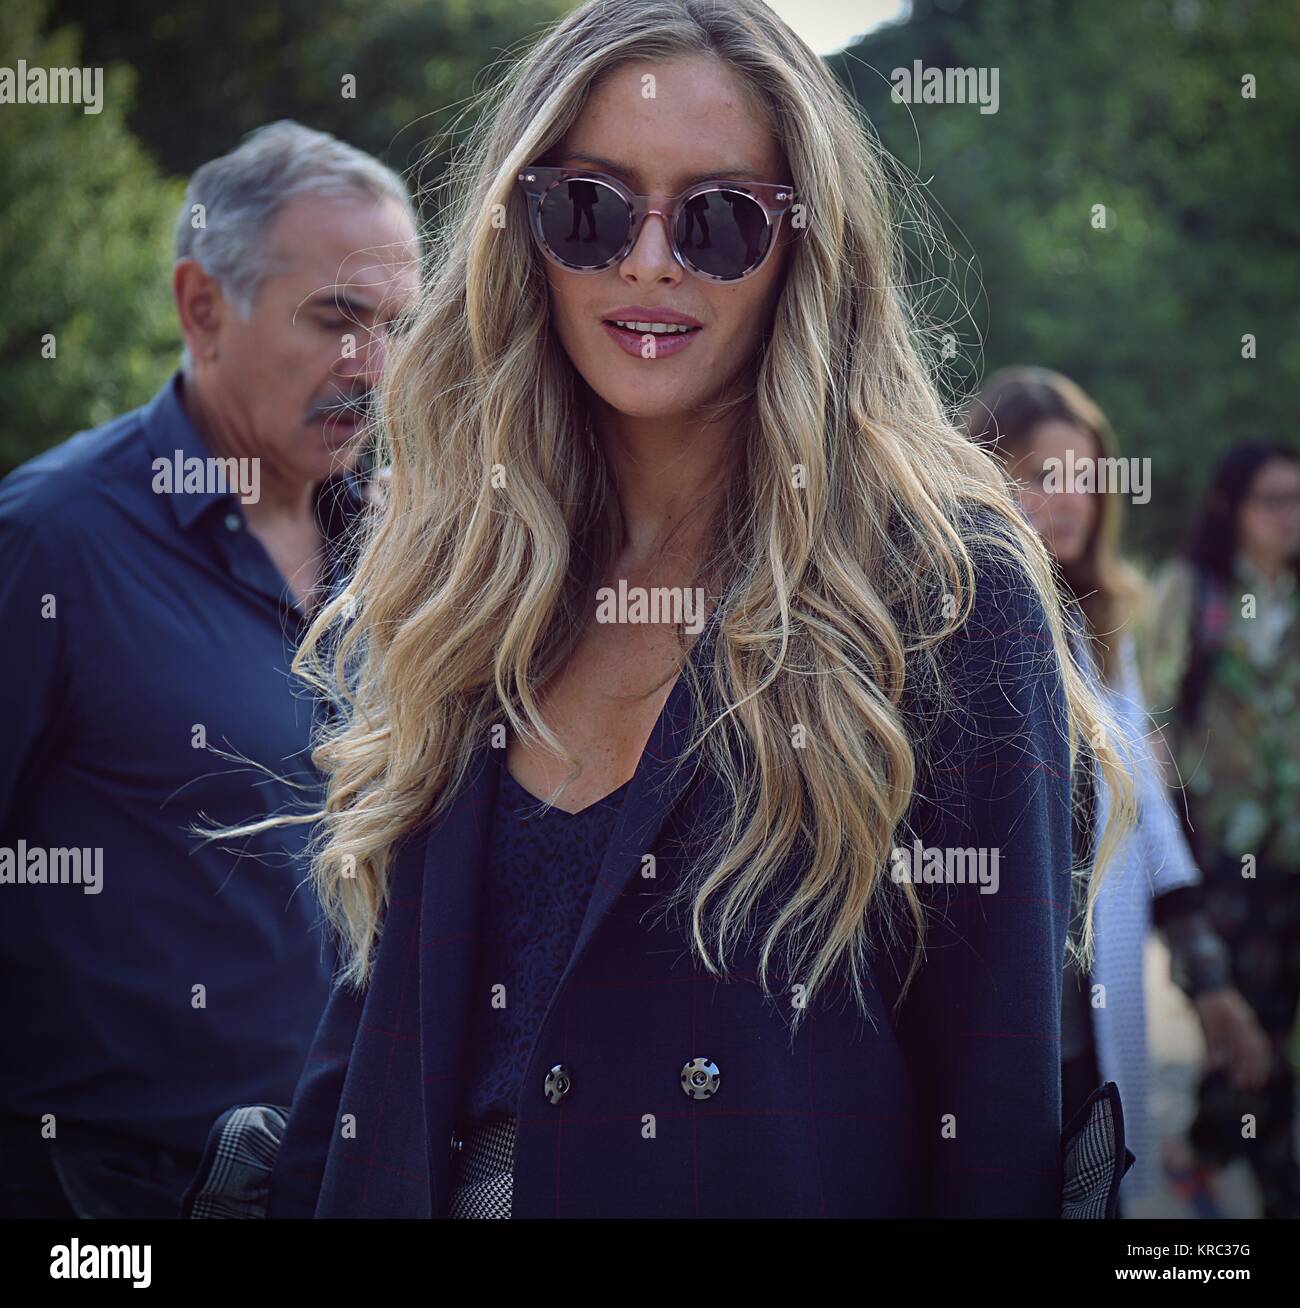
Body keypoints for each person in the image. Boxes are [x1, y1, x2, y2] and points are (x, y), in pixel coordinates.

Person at [200, 0, 1138, 1220]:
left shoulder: (944, 599)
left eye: (719, 218)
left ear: (805, 247)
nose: (648, 261)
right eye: (588, 205)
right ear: (521, 228)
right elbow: (378, 1031)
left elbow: (999, 1123)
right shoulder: (466, 564)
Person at [0, 120, 420, 1218]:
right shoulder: (51, 542)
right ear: (201, 308)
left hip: (333, 1181)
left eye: (394, 326)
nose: (372, 367)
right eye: (335, 318)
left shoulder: (402, 551)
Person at [965, 367, 1271, 1214]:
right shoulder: (940, 618)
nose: (1067, 501)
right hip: (988, 1011)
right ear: (975, 471)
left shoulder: (1103, 628)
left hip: (1091, 1013)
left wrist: (1208, 981)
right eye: (1039, 474)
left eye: (1086, 479)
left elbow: (1149, 815)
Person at [1139, 441, 1300, 1218]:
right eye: (1271, 500)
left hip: (1296, 844)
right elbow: (1152, 719)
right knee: (1251, 1023)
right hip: (1226, 854)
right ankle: (1272, 1188)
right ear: (1232, 508)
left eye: (1296, 500)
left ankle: (1201, 1148)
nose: (1286, 518)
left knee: (1275, 1021)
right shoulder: (1193, 593)